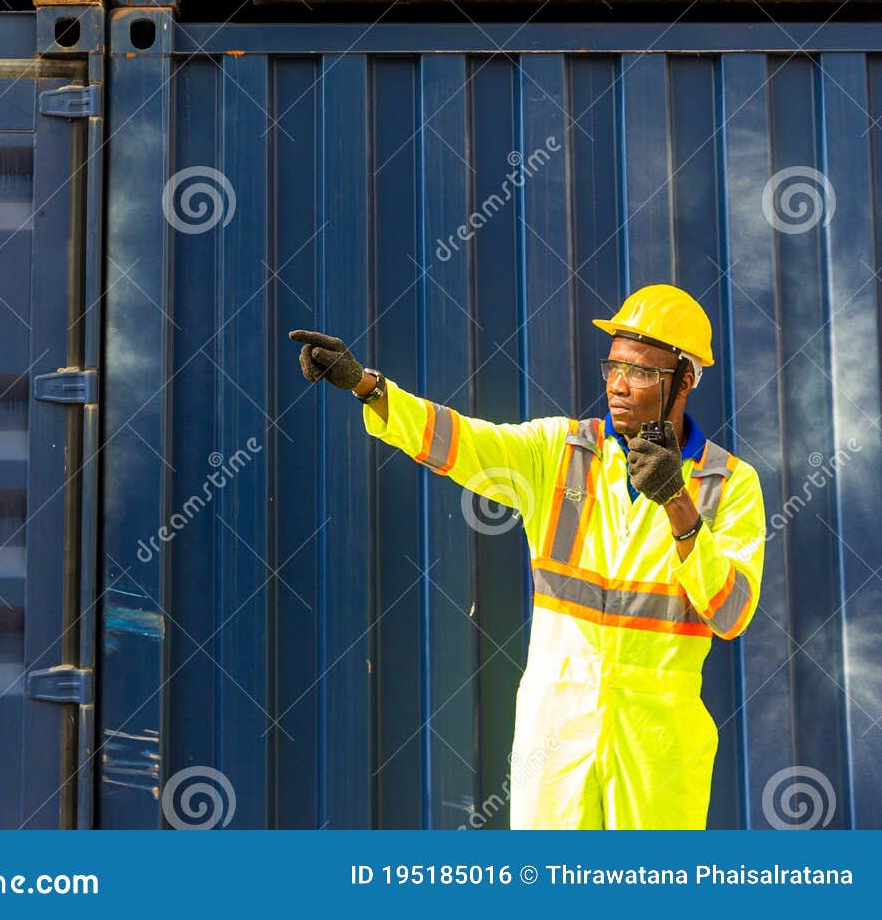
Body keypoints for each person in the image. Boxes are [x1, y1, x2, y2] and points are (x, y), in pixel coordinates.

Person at [290, 284, 765, 830]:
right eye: (613, 367)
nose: (617, 385)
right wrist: (371, 389)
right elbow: (462, 442)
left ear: (683, 381)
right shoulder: (559, 451)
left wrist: (677, 504)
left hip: (661, 735)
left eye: (640, 373)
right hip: (556, 725)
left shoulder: (728, 483)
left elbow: (731, 616)